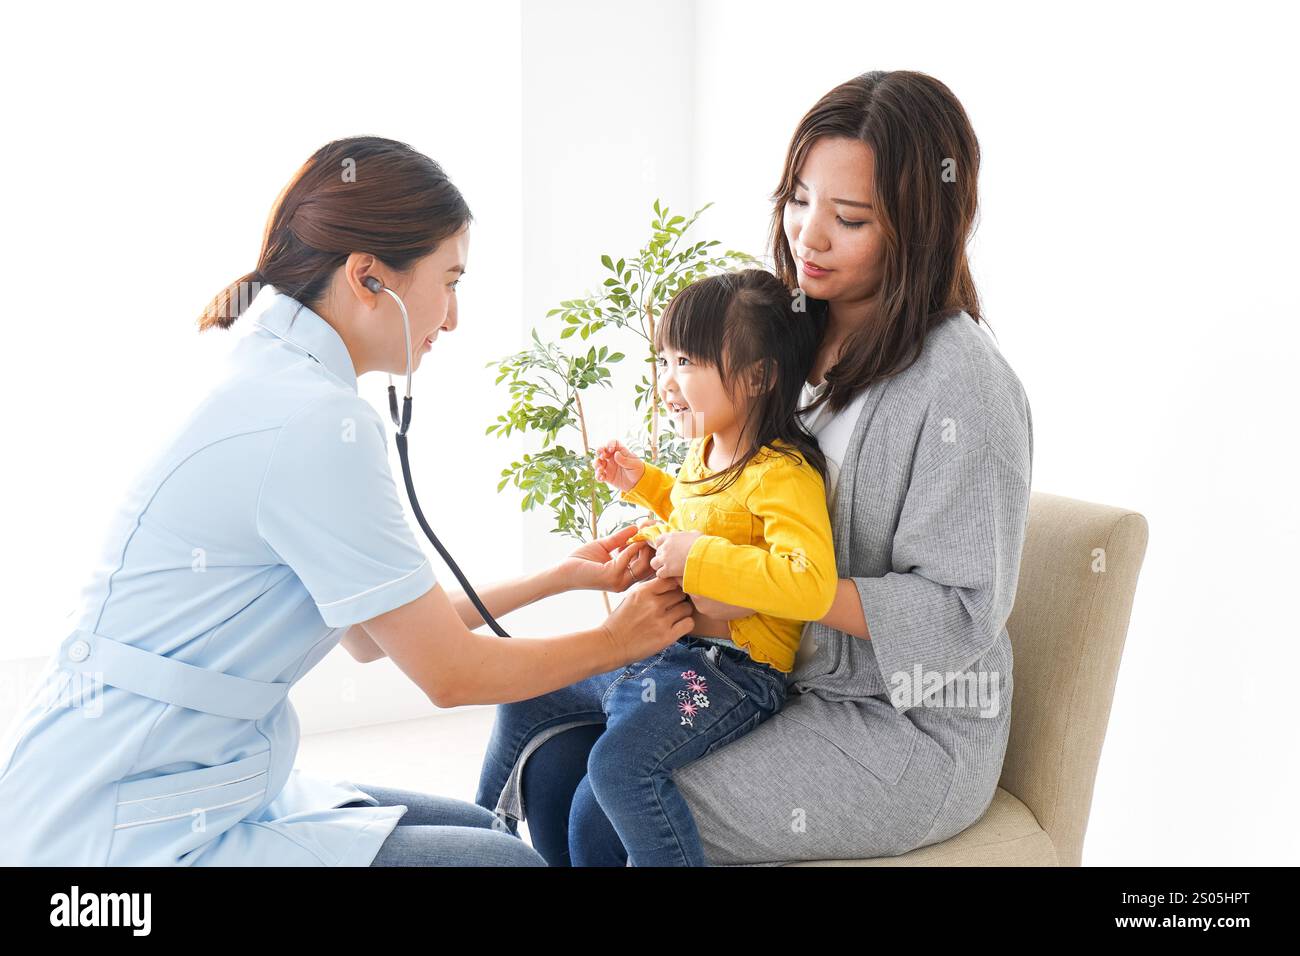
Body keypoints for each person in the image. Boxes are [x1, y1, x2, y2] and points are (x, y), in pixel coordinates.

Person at [0, 136, 695, 866]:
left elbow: (372, 635)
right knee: (507, 863)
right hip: (109, 826)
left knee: (488, 833)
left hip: (180, 780)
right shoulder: (309, 421)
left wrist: (560, 576)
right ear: (369, 277)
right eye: (449, 281)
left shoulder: (286, 382)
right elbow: (450, 674)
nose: (453, 318)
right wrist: (621, 641)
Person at [492, 69, 1035, 867]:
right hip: (759, 671)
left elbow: (960, 618)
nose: (808, 236)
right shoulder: (780, 333)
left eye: (849, 218)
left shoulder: (963, 385)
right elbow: (726, 488)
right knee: (557, 750)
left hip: (902, 722)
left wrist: (746, 577)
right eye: (799, 200)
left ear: (922, 228)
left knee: (608, 806)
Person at [474, 269, 838, 865]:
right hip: (665, 651)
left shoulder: (784, 473)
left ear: (757, 377)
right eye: (663, 360)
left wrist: (697, 556)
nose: (665, 381)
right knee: (523, 695)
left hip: (731, 675)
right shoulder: (706, 450)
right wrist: (643, 484)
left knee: (618, 767)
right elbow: (695, 510)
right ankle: (481, 840)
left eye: (686, 362)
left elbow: (808, 579)